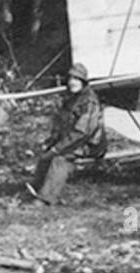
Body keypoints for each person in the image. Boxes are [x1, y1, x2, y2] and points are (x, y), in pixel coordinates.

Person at [26, 62, 106, 206]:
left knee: (60, 158)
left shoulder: (89, 102)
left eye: (76, 79)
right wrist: (52, 142)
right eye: (70, 79)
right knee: (47, 154)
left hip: (91, 144)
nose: (72, 83)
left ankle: (46, 199)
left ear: (83, 82)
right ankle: (37, 188)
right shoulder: (71, 99)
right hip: (74, 141)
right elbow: (62, 124)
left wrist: (58, 148)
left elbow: (82, 132)